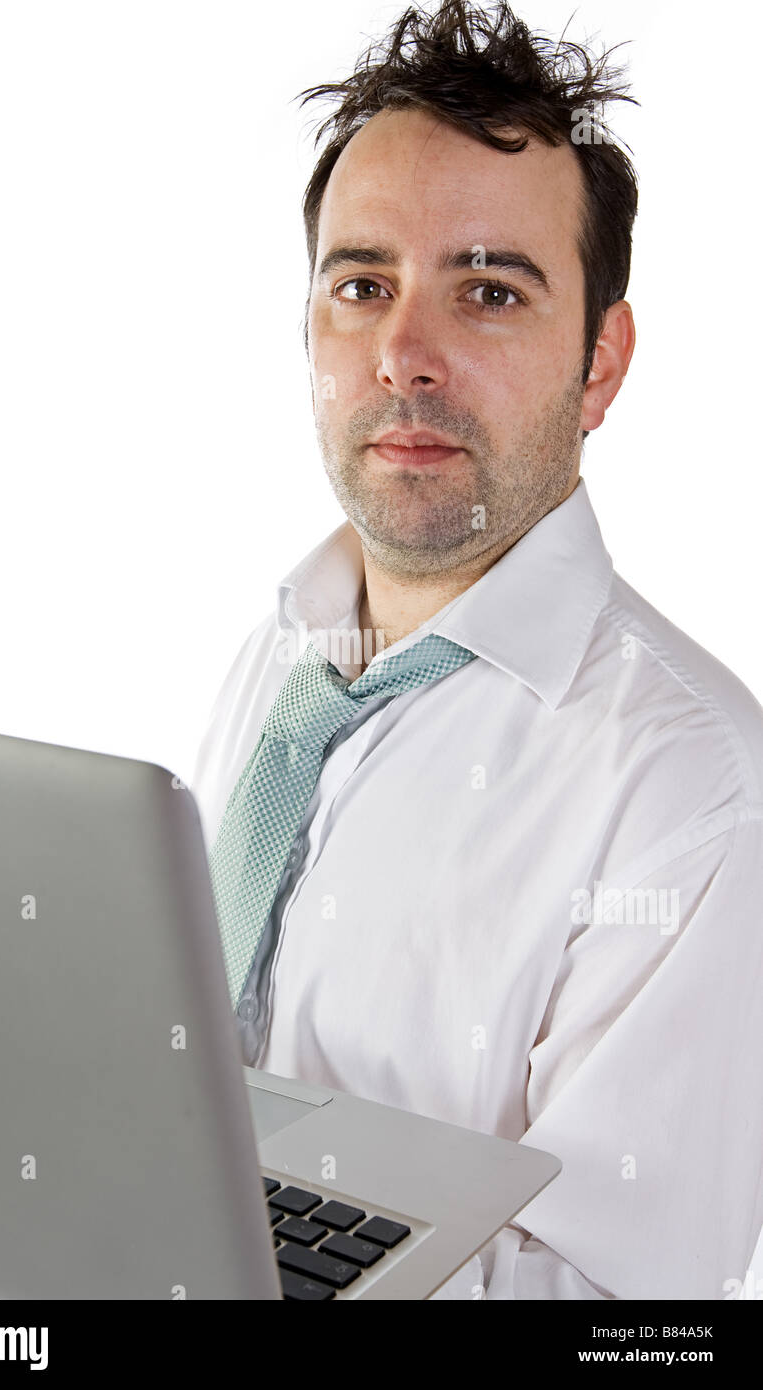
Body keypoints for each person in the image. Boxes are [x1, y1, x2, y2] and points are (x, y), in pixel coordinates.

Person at [191, 0, 763, 1299]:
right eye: (361, 286)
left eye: (489, 290)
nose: (404, 355)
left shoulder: (690, 786)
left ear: (599, 363)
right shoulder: (278, 661)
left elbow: (624, 1316)